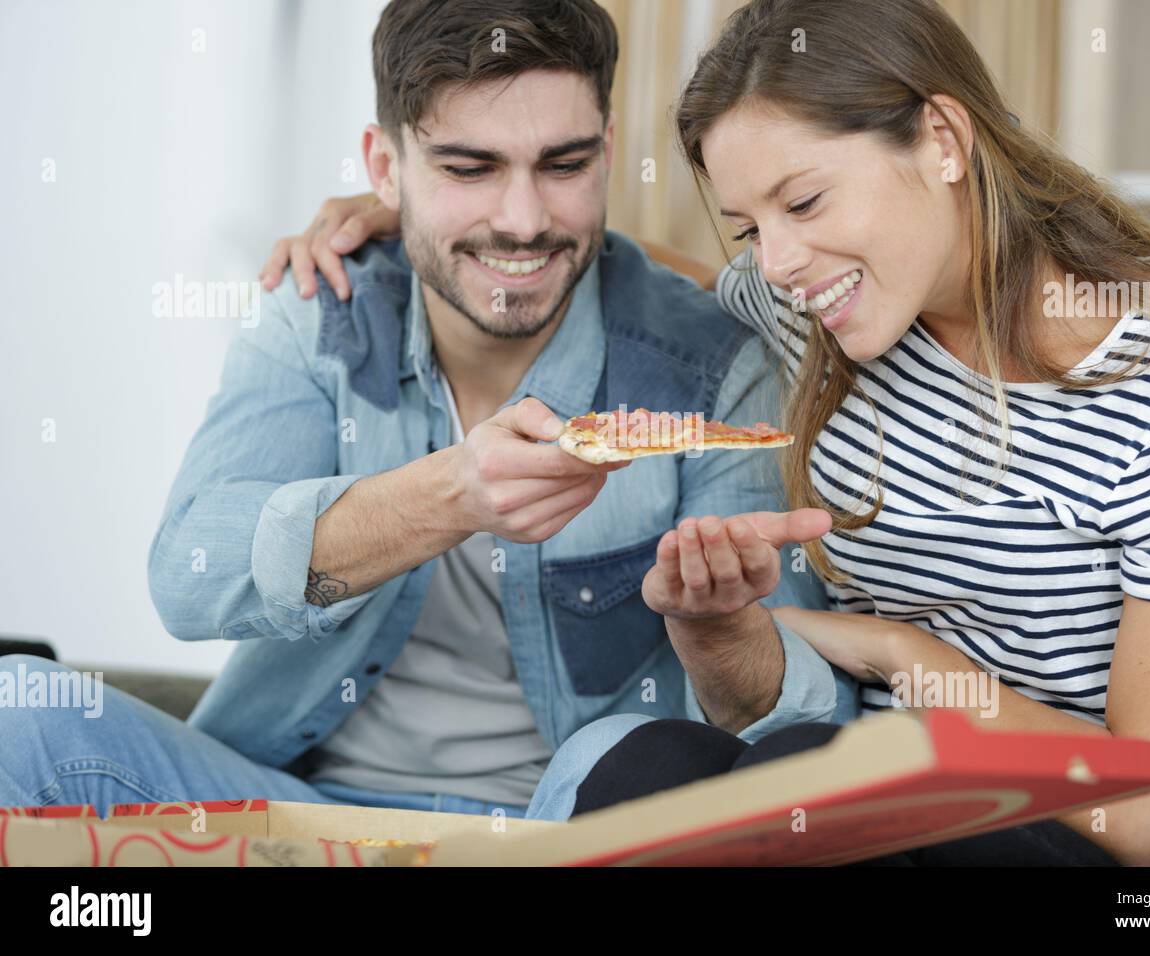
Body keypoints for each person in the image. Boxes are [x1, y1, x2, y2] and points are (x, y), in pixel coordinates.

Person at [285, 0, 1150, 867]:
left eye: (803, 200)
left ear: (941, 139)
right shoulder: (827, 307)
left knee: (806, 776)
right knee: (642, 763)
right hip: (881, 800)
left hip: (1099, 843)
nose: (783, 262)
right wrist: (417, 218)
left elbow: (1149, 810)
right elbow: (627, 275)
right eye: (752, 227)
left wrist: (896, 653)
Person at [0, 0, 857, 825]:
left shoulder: (710, 364)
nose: (523, 222)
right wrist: (448, 496)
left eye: (564, 166)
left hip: (551, 829)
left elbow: (792, 727)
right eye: (467, 168)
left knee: (632, 746)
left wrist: (718, 633)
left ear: (606, 151)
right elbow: (188, 578)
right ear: (383, 168)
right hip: (293, 811)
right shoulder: (323, 315)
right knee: (19, 707)